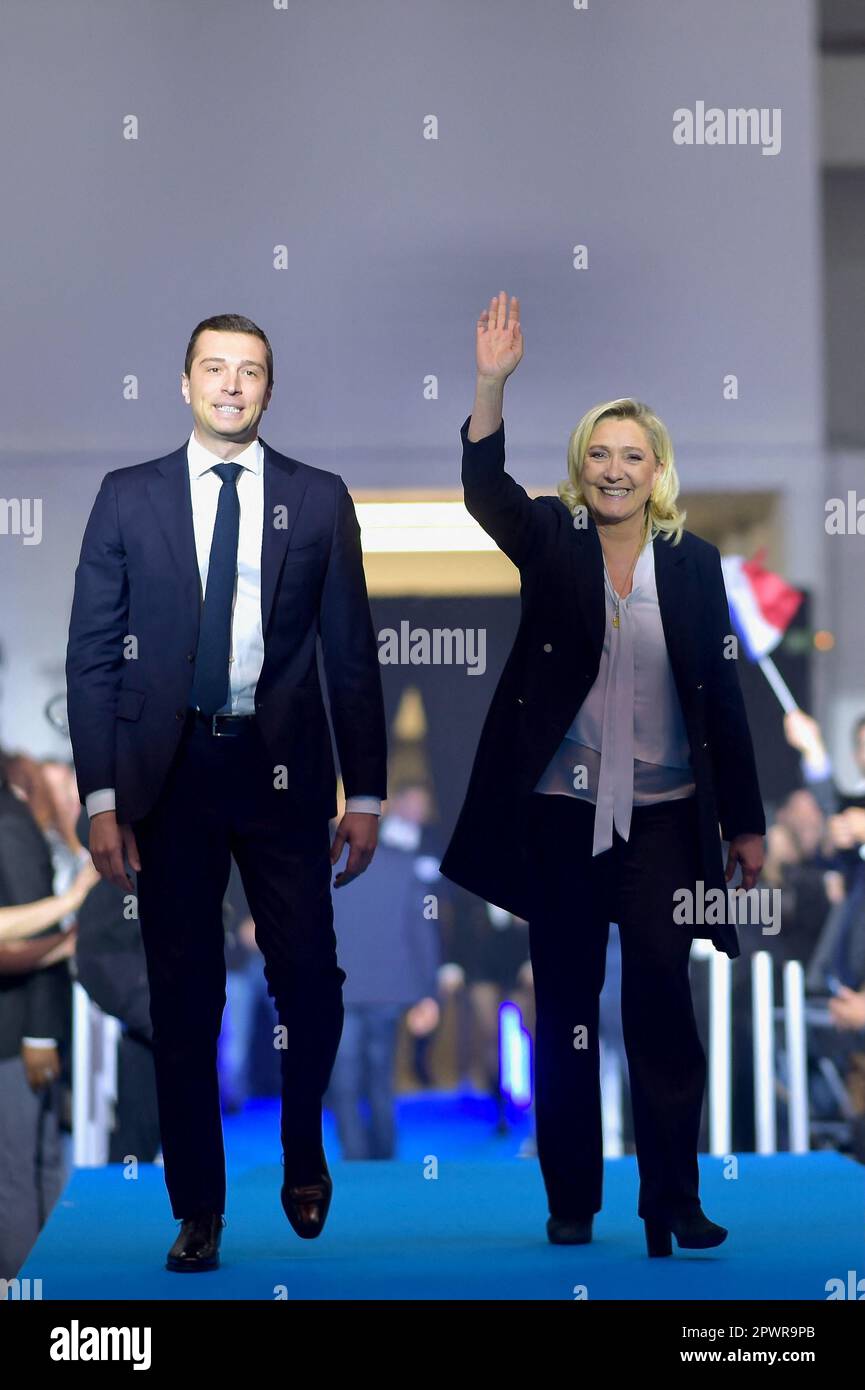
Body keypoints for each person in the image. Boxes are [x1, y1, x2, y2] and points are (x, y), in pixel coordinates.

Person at [440, 292, 765, 1257]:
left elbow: (722, 702)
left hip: (666, 823)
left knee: (664, 1003)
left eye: (633, 455)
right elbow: (482, 493)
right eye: (599, 453)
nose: (614, 469)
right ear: (579, 467)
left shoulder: (697, 566)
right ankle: (571, 1200)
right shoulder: (549, 538)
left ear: (658, 473)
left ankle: (672, 1199)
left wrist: (742, 825)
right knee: (568, 1015)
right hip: (559, 820)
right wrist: (490, 385)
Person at [65, 313, 387, 1271]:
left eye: (250, 372)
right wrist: (99, 798)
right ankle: (197, 1207)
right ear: (185, 383)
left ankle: (300, 1144)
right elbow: (92, 658)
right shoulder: (127, 499)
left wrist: (364, 791)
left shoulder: (318, 499)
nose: (232, 386)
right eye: (215, 369)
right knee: (185, 997)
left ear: (268, 389)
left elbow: (351, 654)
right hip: (167, 777)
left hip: (280, 768)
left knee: (310, 982)